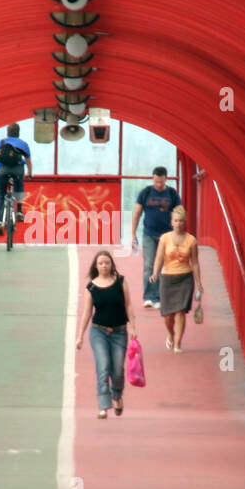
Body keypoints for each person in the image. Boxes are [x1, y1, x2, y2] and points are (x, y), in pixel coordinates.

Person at [75, 250, 138, 419]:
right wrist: (80, 336)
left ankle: (117, 396)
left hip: (119, 332)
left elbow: (129, 305)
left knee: (117, 370)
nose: (104, 266)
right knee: (103, 367)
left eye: (107, 263)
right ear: (96, 266)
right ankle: (103, 405)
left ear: (112, 265)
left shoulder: (120, 282)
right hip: (98, 332)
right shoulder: (92, 287)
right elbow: (87, 312)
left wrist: (133, 327)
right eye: (101, 263)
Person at [149, 206, 202, 353]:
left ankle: (178, 343)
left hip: (185, 277)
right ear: (171, 222)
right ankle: (171, 334)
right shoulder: (165, 238)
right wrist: (155, 273)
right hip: (167, 277)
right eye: (176, 221)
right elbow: (159, 257)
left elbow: (195, 262)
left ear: (185, 223)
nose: (178, 223)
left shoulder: (191, 240)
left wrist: (199, 282)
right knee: (168, 314)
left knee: (180, 312)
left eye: (181, 221)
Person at [130, 167, 182, 309]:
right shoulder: (145, 193)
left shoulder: (172, 193)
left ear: (166, 179)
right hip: (149, 234)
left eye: (161, 181)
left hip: (167, 236)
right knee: (149, 266)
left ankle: (160, 297)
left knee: (165, 266)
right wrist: (133, 233)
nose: (158, 184)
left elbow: (179, 213)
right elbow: (137, 213)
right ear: (153, 179)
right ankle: (148, 297)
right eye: (156, 181)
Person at [0, 124, 32, 236]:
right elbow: (28, 160)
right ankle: (19, 211)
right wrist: (30, 173)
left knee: (0, 194)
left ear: (7, 133)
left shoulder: (0, 143)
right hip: (17, 170)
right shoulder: (23, 144)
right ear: (18, 133)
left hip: (2, 171)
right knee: (19, 187)